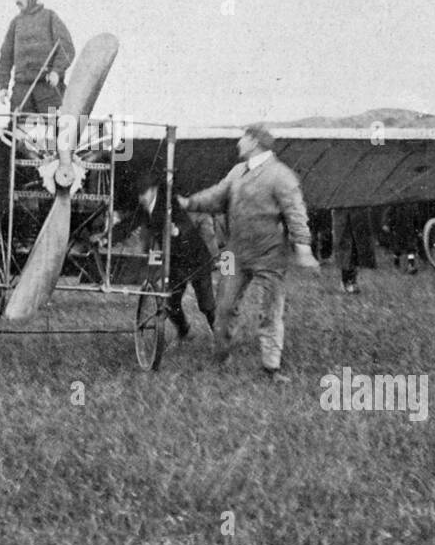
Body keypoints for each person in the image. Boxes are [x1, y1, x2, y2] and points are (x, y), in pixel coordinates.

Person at [177, 124, 318, 381]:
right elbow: (217, 195)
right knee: (224, 305)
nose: (238, 143)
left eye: (243, 138)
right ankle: (221, 357)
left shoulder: (281, 175)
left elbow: (296, 212)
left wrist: (303, 246)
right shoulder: (237, 171)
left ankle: (270, 368)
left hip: (270, 255)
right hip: (233, 253)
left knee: (270, 310)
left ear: (254, 142)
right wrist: (189, 202)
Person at [98, 171, 216, 339]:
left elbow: (183, 221)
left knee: (207, 305)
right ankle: (185, 332)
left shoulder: (169, 202)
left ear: (153, 190)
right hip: (175, 261)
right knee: (171, 302)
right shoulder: (145, 209)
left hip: (195, 258)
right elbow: (127, 226)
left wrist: (178, 230)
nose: (142, 198)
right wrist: (106, 239)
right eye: (139, 195)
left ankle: (221, 340)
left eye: (144, 193)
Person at [0, 0, 75, 114]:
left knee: (52, 128)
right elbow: (6, 56)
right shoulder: (16, 23)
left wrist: (57, 71)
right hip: (22, 90)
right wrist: (3, 86)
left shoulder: (50, 17)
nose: (17, 0)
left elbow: (67, 48)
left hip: (47, 89)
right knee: (20, 128)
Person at [332, 207, 376, 293]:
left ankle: (352, 280)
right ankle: (347, 281)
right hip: (344, 215)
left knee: (355, 250)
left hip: (358, 215)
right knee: (347, 250)